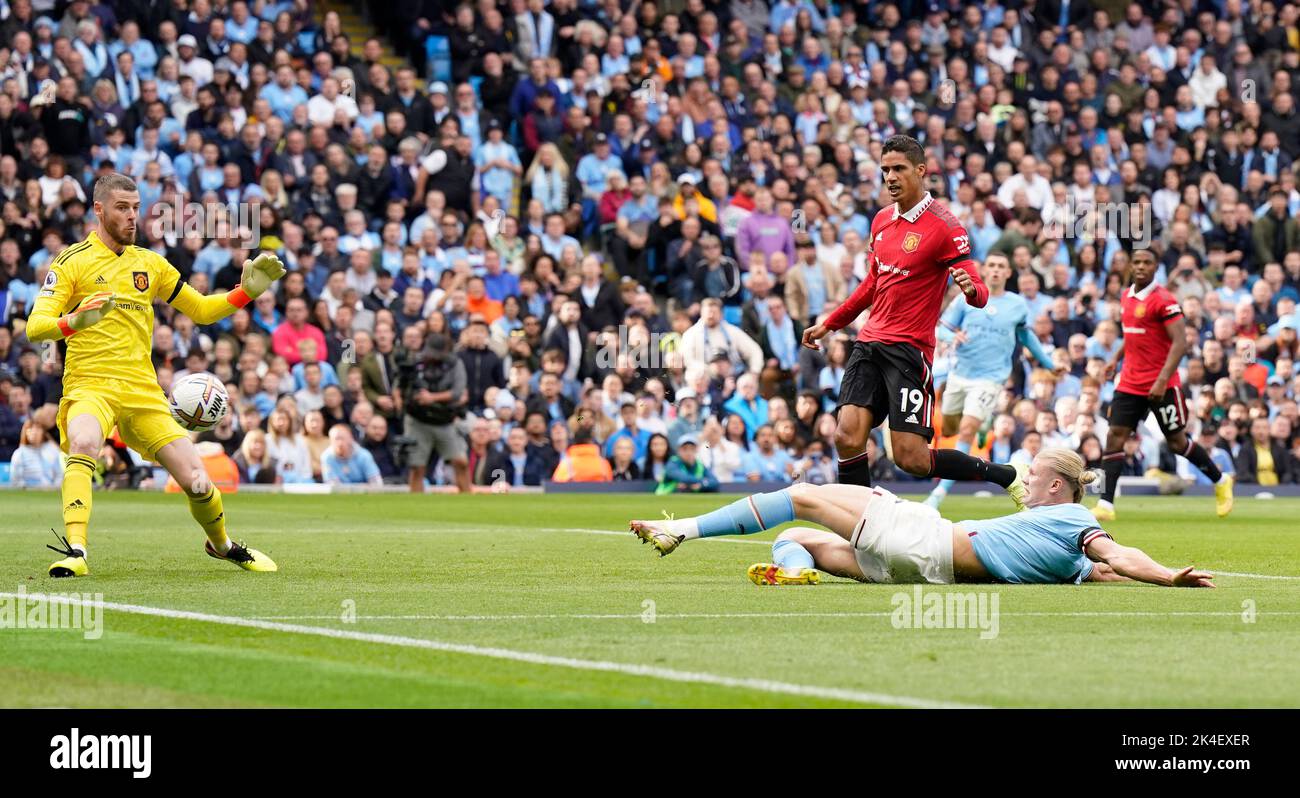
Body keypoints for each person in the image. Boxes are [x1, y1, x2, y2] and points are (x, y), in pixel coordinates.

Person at [25, 173, 281, 576]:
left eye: (136, 208)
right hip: (90, 384)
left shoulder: (150, 263)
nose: (132, 217)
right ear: (99, 210)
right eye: (122, 208)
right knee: (86, 441)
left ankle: (222, 545)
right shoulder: (72, 261)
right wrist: (75, 321)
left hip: (143, 391)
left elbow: (201, 310)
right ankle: (76, 550)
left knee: (197, 480)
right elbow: (35, 326)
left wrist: (246, 293)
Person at [631, 447, 1216, 590]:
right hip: (921, 566)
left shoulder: (1072, 521)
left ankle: (677, 530)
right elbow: (1104, 572)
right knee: (796, 535)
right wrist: (1123, 575)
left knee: (803, 495)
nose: (1023, 482)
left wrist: (1167, 576)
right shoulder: (1066, 550)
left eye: (1031, 476)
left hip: (929, 542)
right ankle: (790, 572)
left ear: (1056, 486)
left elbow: (1117, 555)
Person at [801, 136, 1019, 502]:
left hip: (909, 352)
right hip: (869, 342)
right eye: (885, 169)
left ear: (921, 171)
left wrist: (970, 288)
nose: (890, 176)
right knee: (846, 436)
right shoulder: (882, 220)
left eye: (898, 168)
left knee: (911, 459)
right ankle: (861, 525)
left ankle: (1004, 474)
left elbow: (980, 293)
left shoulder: (946, 226)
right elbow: (873, 281)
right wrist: (832, 322)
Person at [1094, 248, 1233, 521]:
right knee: (1114, 438)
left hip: (1163, 385)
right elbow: (1133, 336)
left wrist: (1160, 381)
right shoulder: (1126, 296)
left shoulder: (1165, 301)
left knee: (1177, 443)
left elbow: (1180, 343)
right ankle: (1105, 505)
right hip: (1130, 382)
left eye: (1147, 262)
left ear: (1156, 267)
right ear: (1131, 266)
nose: (1142, 266)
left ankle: (1221, 481)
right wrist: (1115, 359)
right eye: (1137, 262)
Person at [927, 252, 1056, 507]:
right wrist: (951, 336)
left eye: (1001, 266)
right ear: (985, 270)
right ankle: (984, 423)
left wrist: (1050, 364)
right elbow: (940, 326)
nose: (996, 270)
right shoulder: (967, 300)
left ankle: (938, 494)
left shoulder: (1017, 305)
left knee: (966, 430)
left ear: (1008, 273)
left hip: (991, 378)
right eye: (992, 266)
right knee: (951, 428)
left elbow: (1026, 337)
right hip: (960, 374)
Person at [398, 332, 470, 493]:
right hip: (418, 420)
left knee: (460, 462)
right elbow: (402, 386)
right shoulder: (415, 362)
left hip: (444, 420)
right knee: (417, 466)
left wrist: (432, 398)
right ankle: (415, 503)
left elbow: (458, 391)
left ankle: (468, 498)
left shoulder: (454, 364)